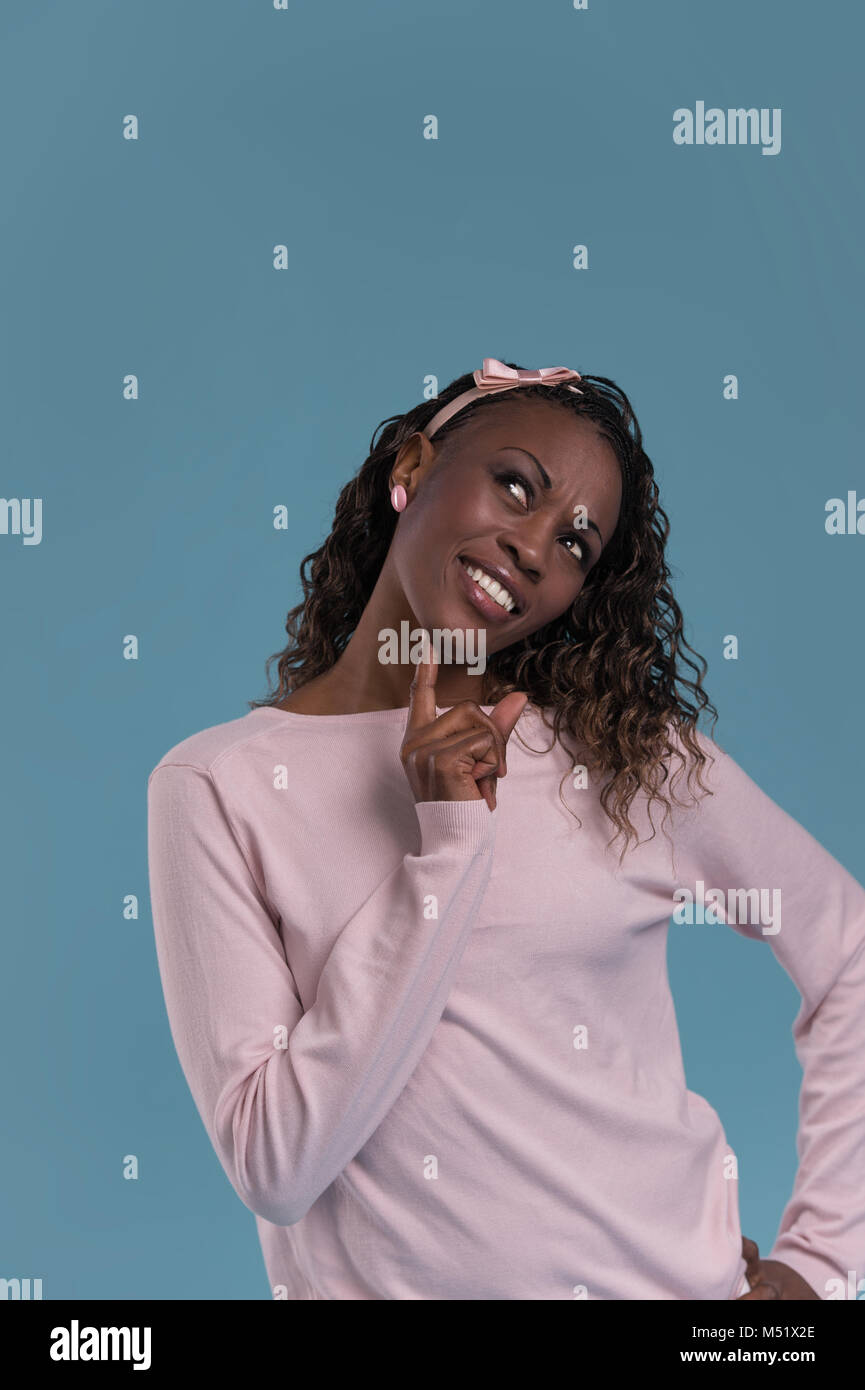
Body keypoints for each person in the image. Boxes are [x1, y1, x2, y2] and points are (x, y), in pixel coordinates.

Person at [147, 357, 865, 1300]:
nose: (534, 547)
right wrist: (446, 843)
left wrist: (817, 1263)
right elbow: (275, 1167)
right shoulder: (218, 786)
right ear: (411, 470)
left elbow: (844, 949)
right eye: (514, 486)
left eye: (575, 542)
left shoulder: (625, 756)